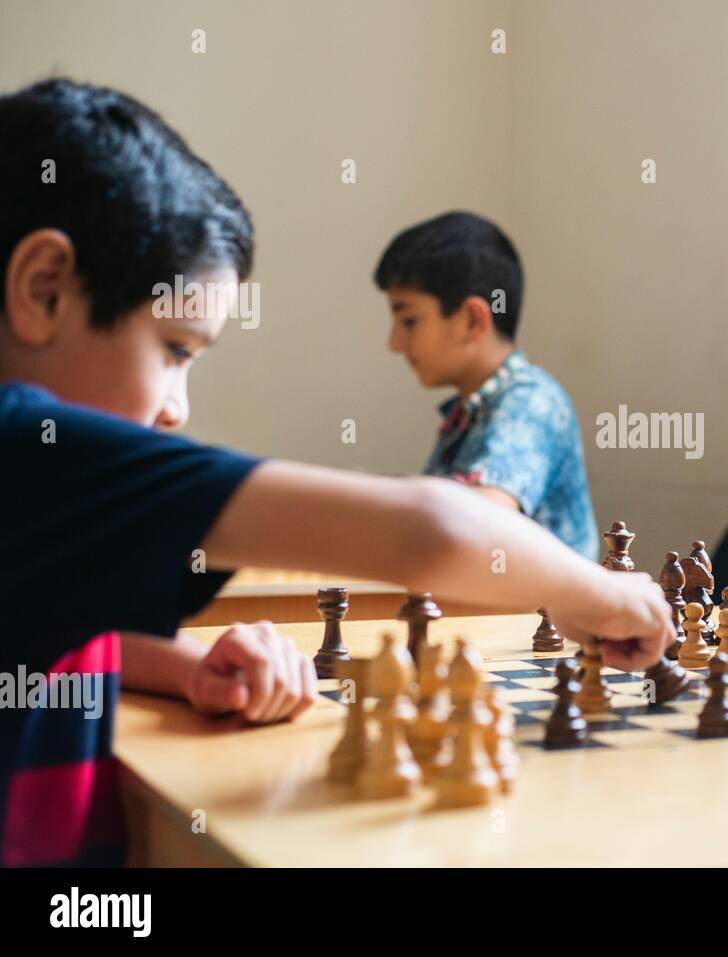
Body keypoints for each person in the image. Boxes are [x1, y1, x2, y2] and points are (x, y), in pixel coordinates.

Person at [0, 79, 671, 866]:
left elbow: (64, 626)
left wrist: (186, 666)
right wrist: (600, 589)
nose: (177, 408)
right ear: (44, 288)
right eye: (176, 350)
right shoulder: (31, 447)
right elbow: (435, 529)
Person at [375, 213, 601, 560]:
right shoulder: (470, 413)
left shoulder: (530, 400)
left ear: (473, 319)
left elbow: (474, 525)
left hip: (540, 616)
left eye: (409, 320)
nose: (394, 342)